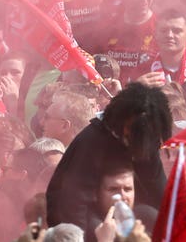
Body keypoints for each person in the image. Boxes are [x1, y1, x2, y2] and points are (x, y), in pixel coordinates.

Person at [45, 82, 172, 232]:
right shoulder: (92, 142)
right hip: (78, 219)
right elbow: (74, 204)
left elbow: (159, 191)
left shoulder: (144, 139)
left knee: (151, 217)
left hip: (124, 215)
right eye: (133, 132)